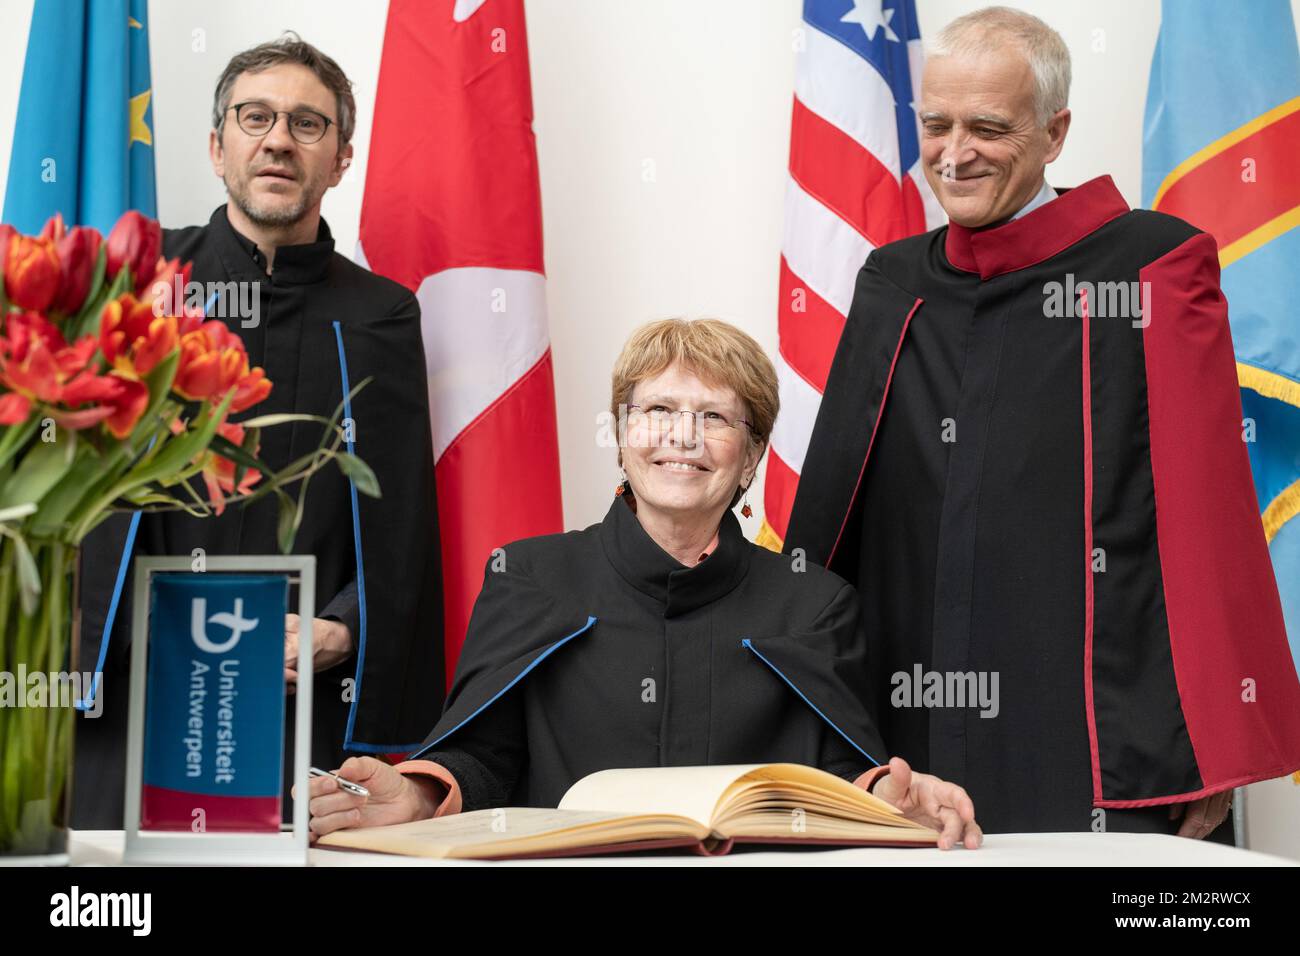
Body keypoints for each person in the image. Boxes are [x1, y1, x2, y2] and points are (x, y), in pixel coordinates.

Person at [782, 6, 1300, 841]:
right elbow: (833, 518)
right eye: (937, 124)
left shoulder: (1150, 266)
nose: (954, 154)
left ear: (1055, 132)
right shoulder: (891, 281)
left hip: (1095, 732)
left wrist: (1215, 750)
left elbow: (1208, 517)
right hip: (906, 746)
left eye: (988, 127)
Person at [304, 319, 983, 850]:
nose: (682, 436)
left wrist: (891, 803)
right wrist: (419, 796)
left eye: (715, 417)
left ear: (749, 460)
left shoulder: (815, 602)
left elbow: (840, 783)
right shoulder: (530, 576)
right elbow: (485, 759)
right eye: (657, 410)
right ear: (623, 435)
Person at [73, 34, 444, 828]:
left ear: (341, 158)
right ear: (217, 146)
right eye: (256, 117)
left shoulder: (382, 314)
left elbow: (402, 523)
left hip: (299, 709)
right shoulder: (137, 284)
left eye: (309, 124)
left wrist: (343, 627)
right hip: (134, 693)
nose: (279, 138)